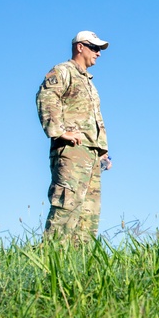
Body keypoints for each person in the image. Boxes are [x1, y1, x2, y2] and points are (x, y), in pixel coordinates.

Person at [36, 31, 113, 243]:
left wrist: (102, 151)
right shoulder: (63, 71)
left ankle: (78, 268)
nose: (98, 53)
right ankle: (50, 262)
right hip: (72, 151)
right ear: (80, 47)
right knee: (66, 207)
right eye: (94, 48)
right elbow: (47, 97)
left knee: (88, 216)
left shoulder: (88, 81)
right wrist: (59, 132)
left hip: (91, 154)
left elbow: (94, 118)